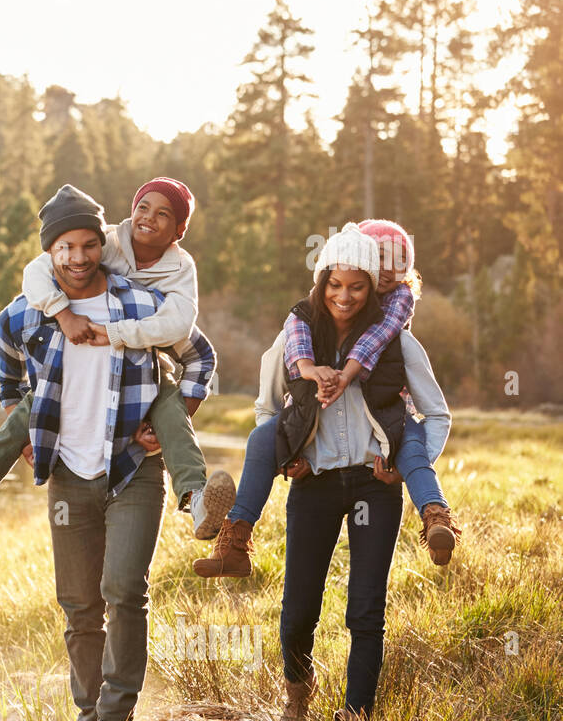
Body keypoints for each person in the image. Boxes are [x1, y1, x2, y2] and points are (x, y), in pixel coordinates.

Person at [0, 185, 217, 721]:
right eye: (66, 247)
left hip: (133, 468)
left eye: (88, 244)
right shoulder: (34, 307)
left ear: (99, 248)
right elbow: (5, 344)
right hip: (67, 473)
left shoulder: (139, 303)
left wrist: (174, 414)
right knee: (79, 604)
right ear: (50, 254)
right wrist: (19, 414)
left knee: (123, 590)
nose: (79, 257)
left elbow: (199, 355)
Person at [0, 179, 234, 542]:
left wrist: (168, 413)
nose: (147, 218)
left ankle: (197, 499)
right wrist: (62, 313)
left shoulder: (178, 272)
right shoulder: (103, 243)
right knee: (32, 407)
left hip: (148, 369)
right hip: (73, 371)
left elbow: (184, 328)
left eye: (163, 213)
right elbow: (37, 271)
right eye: (143, 207)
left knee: (169, 406)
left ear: (180, 230)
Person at [253, 224, 451, 721]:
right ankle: (297, 698)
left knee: (365, 609)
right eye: (334, 285)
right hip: (314, 485)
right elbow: (266, 409)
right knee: (299, 607)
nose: (344, 296)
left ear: (372, 290)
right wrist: (285, 457)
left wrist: (404, 464)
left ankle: (357, 715)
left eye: (357, 286)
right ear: (322, 283)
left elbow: (437, 415)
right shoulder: (295, 339)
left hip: (373, 486)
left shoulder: (397, 344)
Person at [193, 218, 461, 579]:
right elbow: (270, 398)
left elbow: (382, 344)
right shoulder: (304, 319)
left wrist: (347, 374)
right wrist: (289, 452)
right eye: (378, 258)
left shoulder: (395, 318)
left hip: (387, 424)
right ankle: (236, 538)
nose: (386, 270)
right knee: (261, 438)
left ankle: (435, 516)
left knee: (412, 447)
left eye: (396, 263)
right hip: (314, 447)